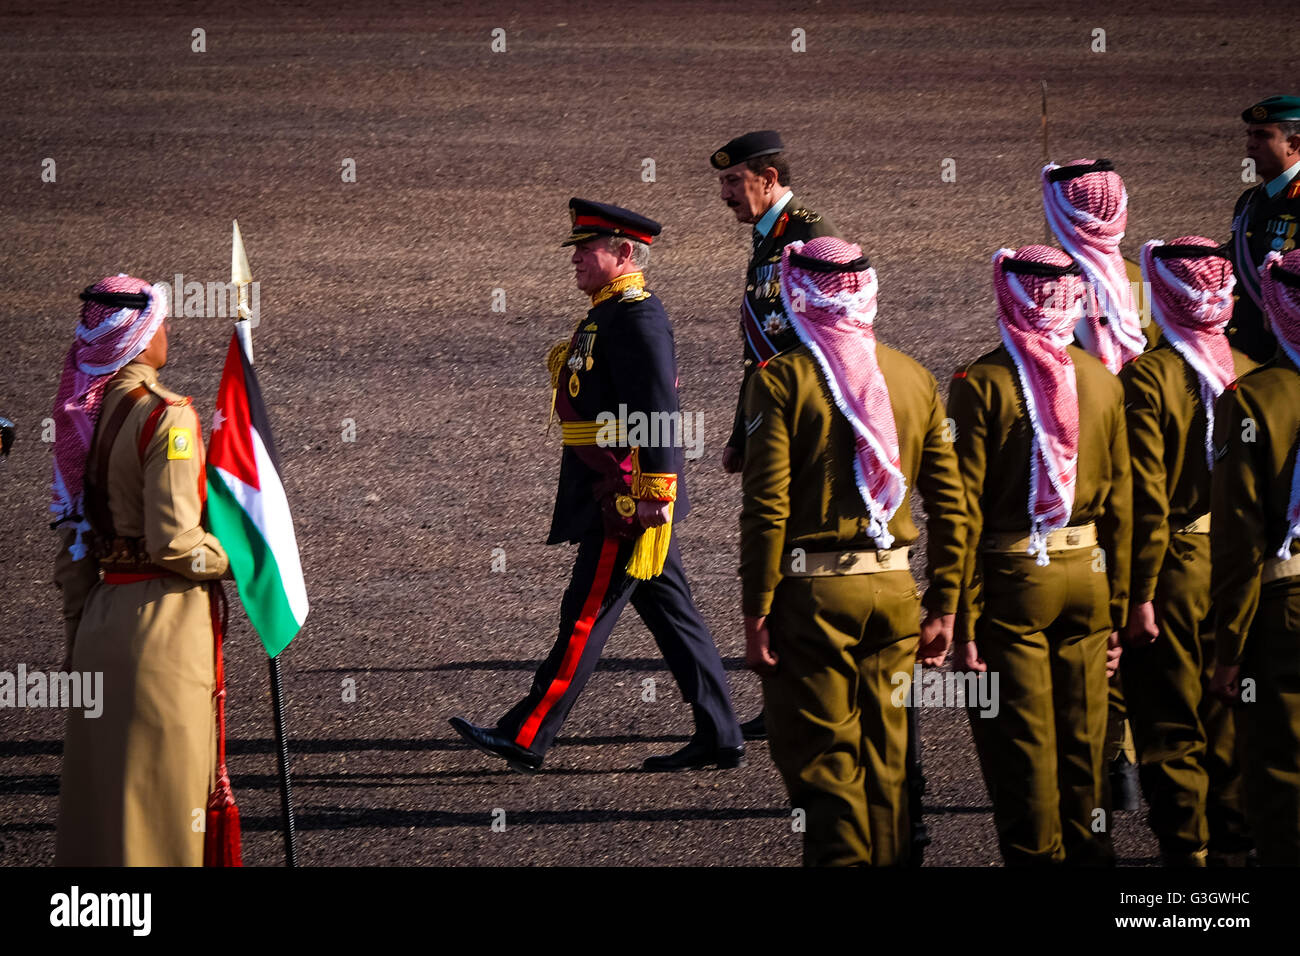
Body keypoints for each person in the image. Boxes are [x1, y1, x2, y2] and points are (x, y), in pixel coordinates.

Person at [449, 199, 743, 773]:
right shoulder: (609, 311)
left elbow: (657, 408)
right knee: (674, 616)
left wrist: (657, 492)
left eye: (589, 248)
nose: (577, 257)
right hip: (617, 485)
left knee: (585, 614)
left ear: (625, 253)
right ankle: (721, 732)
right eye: (578, 248)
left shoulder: (636, 316)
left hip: (629, 495)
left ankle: (528, 732)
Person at [739, 236, 966, 866]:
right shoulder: (914, 377)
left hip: (813, 597)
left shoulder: (781, 379)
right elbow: (951, 508)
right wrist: (944, 603)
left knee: (823, 769)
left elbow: (766, 509)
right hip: (896, 591)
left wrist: (755, 612)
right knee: (889, 767)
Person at [949, 245, 1131, 865]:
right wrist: (1121, 610)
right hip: (1090, 578)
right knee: (1084, 750)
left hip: (1013, 580)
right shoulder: (1105, 381)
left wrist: (963, 618)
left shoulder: (981, 383)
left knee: (1022, 754)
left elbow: (963, 513)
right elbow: (1123, 509)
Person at [52, 274, 229, 866]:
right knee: (163, 821)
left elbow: (72, 552)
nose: (166, 332)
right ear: (140, 336)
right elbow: (176, 542)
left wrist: (78, 644)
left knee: (103, 819)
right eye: (159, 323)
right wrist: (239, 558)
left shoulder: (86, 415)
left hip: (102, 622)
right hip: (162, 631)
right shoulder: (168, 417)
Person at [1119, 237, 1255, 866]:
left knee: (1170, 722)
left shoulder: (1147, 376)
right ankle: (1233, 844)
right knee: (1230, 713)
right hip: (1240, 565)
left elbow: (1146, 498)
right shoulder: (1251, 372)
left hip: (1172, 567)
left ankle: (1187, 861)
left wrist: (1137, 594)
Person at [712, 129, 840, 743]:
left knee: (793, 551)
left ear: (768, 178)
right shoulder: (767, 238)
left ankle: (802, 692)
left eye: (735, 183)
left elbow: (832, 334)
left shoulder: (807, 237)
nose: (726, 196)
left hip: (805, 421)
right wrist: (742, 429)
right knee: (777, 552)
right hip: (772, 415)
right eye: (724, 184)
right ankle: (789, 691)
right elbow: (756, 349)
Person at [1043, 157, 1149, 809]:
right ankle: (1129, 768)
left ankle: (1109, 765)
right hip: (1147, 475)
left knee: (1088, 632)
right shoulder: (1144, 280)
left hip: (1076, 481)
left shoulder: (1049, 281)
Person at [1210, 247, 1300, 866]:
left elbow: (1240, 539)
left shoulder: (1250, 398)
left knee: (1279, 771)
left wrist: (1227, 649)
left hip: (1285, 607)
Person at [1228, 95, 1300, 363]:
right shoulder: (1249, 201)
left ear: (1293, 144)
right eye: (1249, 135)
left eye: (1262, 135)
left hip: (1289, 352)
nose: (1250, 144)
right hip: (1247, 347)